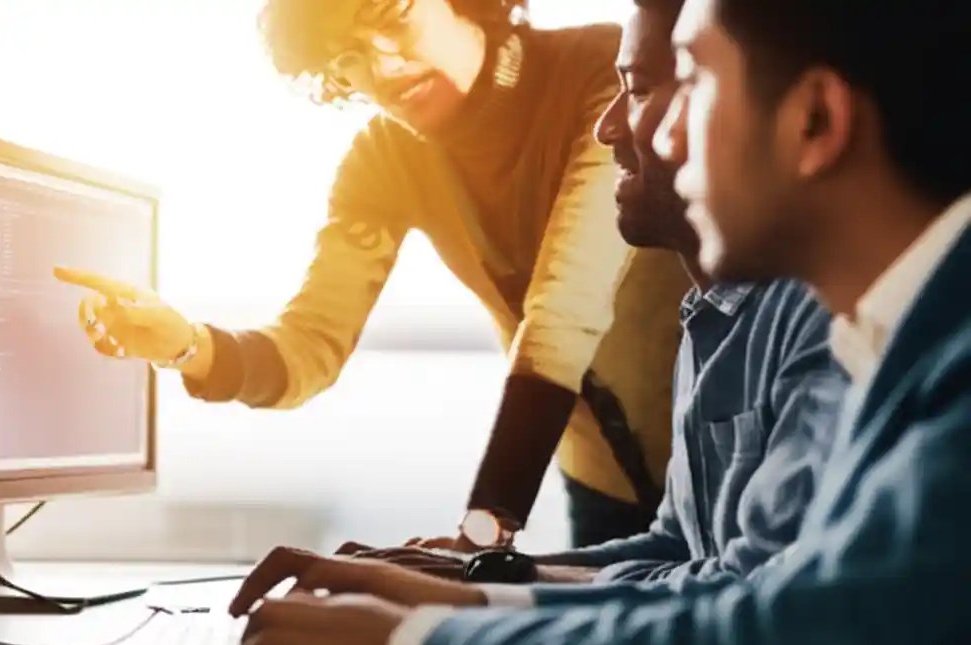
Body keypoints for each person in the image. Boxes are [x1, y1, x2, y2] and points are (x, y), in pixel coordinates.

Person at [227, 0, 971, 645]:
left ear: (814, 121)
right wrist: (465, 591)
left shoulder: (942, 371)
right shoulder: (863, 335)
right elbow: (713, 579)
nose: (656, 138)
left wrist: (413, 642)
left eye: (692, 84)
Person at [55, 0, 692, 549]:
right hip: (599, 484)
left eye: (393, 16)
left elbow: (565, 311)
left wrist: (483, 530)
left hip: (717, 450)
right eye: (348, 58)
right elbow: (310, 345)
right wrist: (187, 345)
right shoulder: (384, 160)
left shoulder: (603, 72)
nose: (382, 68)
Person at [351, 0, 848, 587]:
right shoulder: (709, 320)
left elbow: (749, 596)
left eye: (639, 91)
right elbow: (677, 550)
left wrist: (466, 591)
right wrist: (478, 574)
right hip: (600, 474)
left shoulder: (821, 321)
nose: (606, 128)